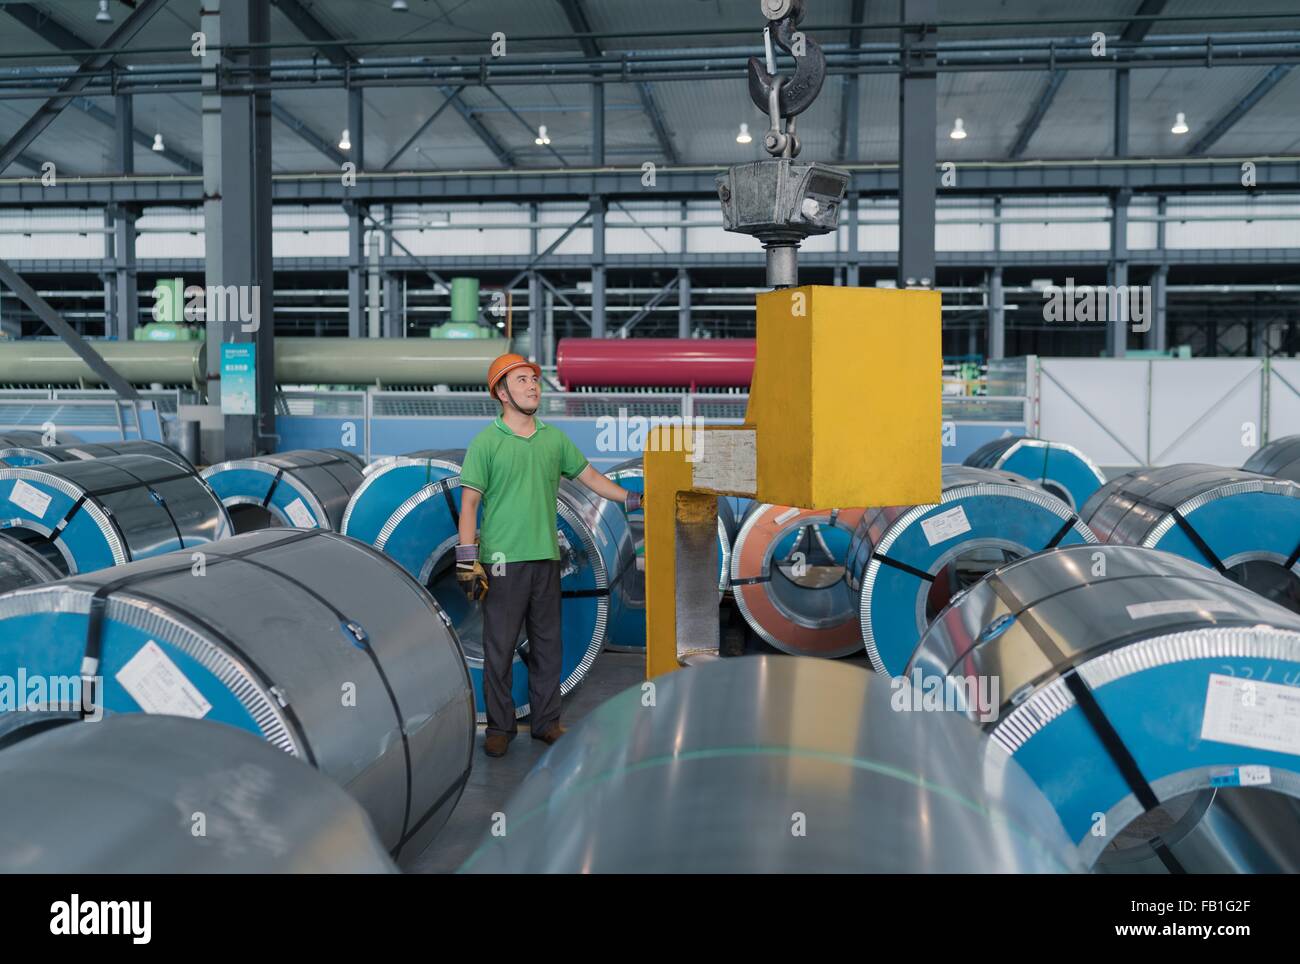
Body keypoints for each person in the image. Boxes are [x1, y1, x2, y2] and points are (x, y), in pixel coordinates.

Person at [456, 353, 642, 758]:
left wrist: (632, 496)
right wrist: (467, 560)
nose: (533, 386)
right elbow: (469, 504)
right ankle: (500, 727)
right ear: (502, 392)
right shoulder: (486, 443)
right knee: (499, 647)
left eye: (535, 380)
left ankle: (545, 723)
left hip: (545, 556)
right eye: (522, 380)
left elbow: (590, 477)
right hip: (503, 560)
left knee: (547, 645)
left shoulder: (553, 439)